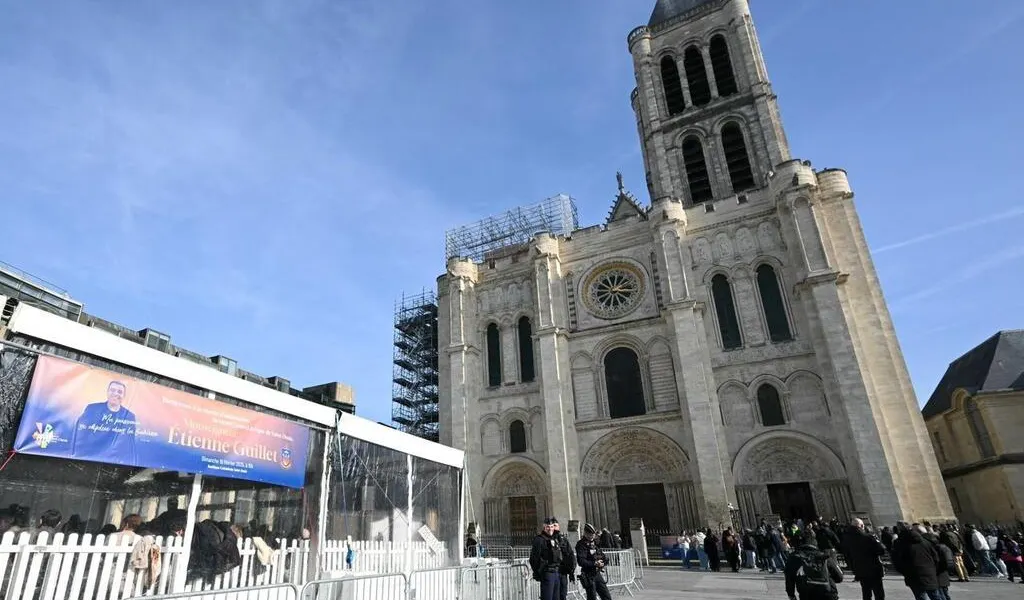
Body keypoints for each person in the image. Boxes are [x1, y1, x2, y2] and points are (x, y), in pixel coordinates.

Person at [71, 380, 138, 464]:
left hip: (114, 461)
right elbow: (80, 433)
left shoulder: (130, 416)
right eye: (112, 390)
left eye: (120, 392)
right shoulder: (92, 409)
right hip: (90, 456)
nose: (115, 394)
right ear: (107, 392)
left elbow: (129, 443)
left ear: (124, 396)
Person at [891, 524, 945, 600]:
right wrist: (933, 569)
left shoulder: (900, 544)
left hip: (913, 575)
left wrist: (905, 572)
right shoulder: (926, 542)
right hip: (929, 573)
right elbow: (936, 558)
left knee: (921, 597)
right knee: (935, 596)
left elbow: (897, 562)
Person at [784, 531, 844, 600]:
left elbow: (789, 580)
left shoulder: (794, 558)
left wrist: (791, 595)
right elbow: (839, 577)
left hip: (806, 594)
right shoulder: (824, 556)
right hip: (828, 593)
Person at [846, 518, 886, 600]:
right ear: (861, 526)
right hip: (873, 569)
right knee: (879, 593)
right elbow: (881, 550)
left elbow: (847, 554)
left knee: (866, 593)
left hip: (860, 569)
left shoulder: (847, 539)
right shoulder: (868, 537)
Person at [576, 523, 612, 600]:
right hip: (588, 575)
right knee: (592, 597)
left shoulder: (594, 544)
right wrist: (594, 563)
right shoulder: (581, 545)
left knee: (606, 596)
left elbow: (601, 555)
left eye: (593, 534)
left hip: (597, 573)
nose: (592, 536)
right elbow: (581, 561)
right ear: (585, 533)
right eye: (590, 534)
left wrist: (603, 562)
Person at [530, 518, 563, 600]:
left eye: (552, 527)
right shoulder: (539, 540)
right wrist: (538, 573)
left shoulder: (555, 539)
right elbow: (534, 559)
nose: (550, 529)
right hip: (547, 572)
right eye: (548, 527)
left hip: (556, 572)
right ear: (544, 527)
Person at [550, 519, 575, 600]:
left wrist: (571, 571)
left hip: (563, 571)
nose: (554, 528)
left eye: (556, 525)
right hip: (552, 571)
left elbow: (570, 554)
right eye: (552, 526)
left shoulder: (563, 539)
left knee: (563, 594)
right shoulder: (547, 539)